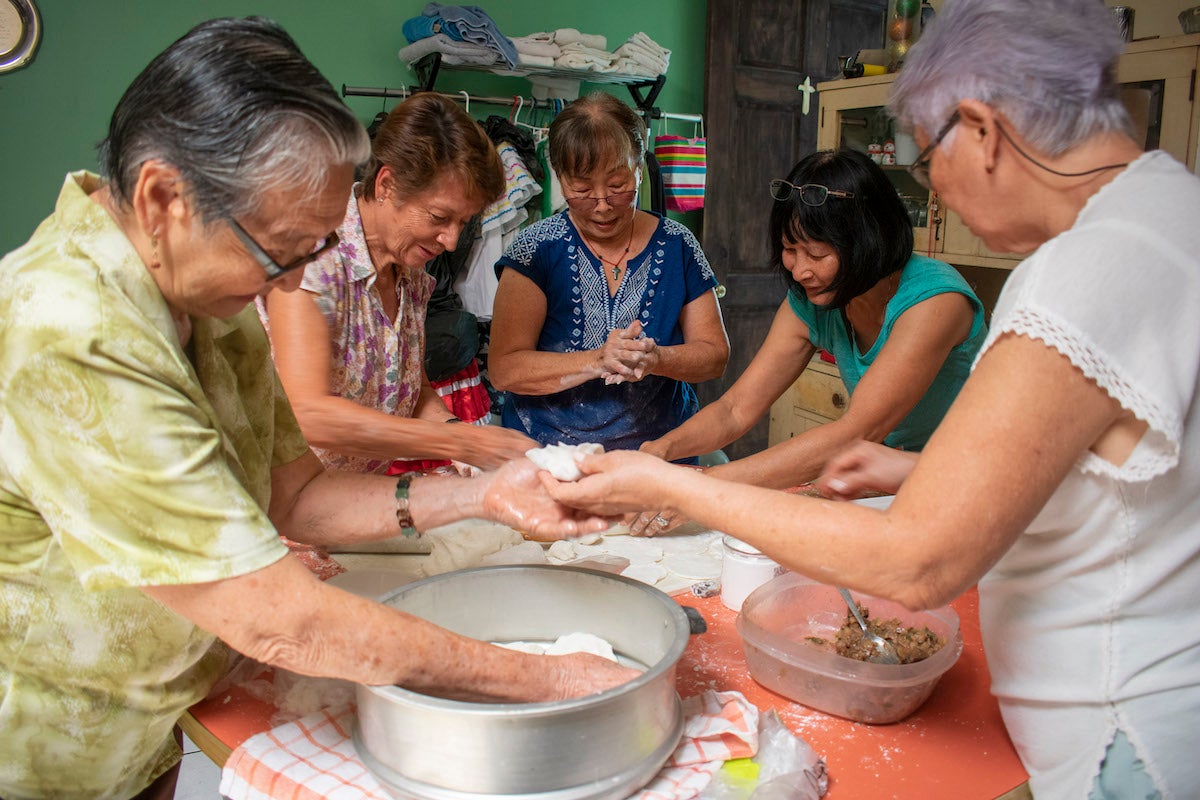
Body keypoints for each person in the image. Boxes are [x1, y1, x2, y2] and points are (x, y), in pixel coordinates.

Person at [544, 1, 1200, 797]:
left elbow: (917, 561)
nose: (938, 194)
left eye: (928, 163)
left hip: (1123, 727)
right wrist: (903, 469)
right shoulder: (1172, 206)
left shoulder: (1082, 273)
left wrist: (674, 485)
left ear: (981, 129)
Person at [0, 19, 633, 800]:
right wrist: (538, 677)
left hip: (148, 727)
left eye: (309, 252)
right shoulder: (72, 329)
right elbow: (278, 617)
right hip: (47, 751)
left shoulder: (204, 295)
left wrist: (485, 492)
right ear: (164, 198)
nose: (293, 287)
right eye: (281, 251)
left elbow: (296, 496)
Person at [630, 148, 985, 534]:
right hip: (889, 482)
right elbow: (736, 408)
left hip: (971, 486)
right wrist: (660, 450)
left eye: (816, 253)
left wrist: (701, 489)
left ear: (868, 242)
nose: (800, 270)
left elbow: (855, 434)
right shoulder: (816, 300)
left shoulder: (934, 302)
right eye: (789, 250)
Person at [259, 92, 536, 475]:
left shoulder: (410, 277)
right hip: (283, 511)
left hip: (353, 506)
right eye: (440, 216)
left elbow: (413, 392)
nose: (452, 241)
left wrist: (462, 436)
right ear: (386, 184)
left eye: (463, 222)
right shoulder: (314, 256)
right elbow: (308, 413)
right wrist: (456, 442)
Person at [488, 91, 729, 458]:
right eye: (582, 189)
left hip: (657, 455)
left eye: (618, 186)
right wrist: (596, 360)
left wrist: (657, 359)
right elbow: (505, 369)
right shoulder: (534, 249)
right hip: (549, 456)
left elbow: (715, 356)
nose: (601, 204)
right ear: (560, 176)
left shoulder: (678, 244)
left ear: (638, 166)